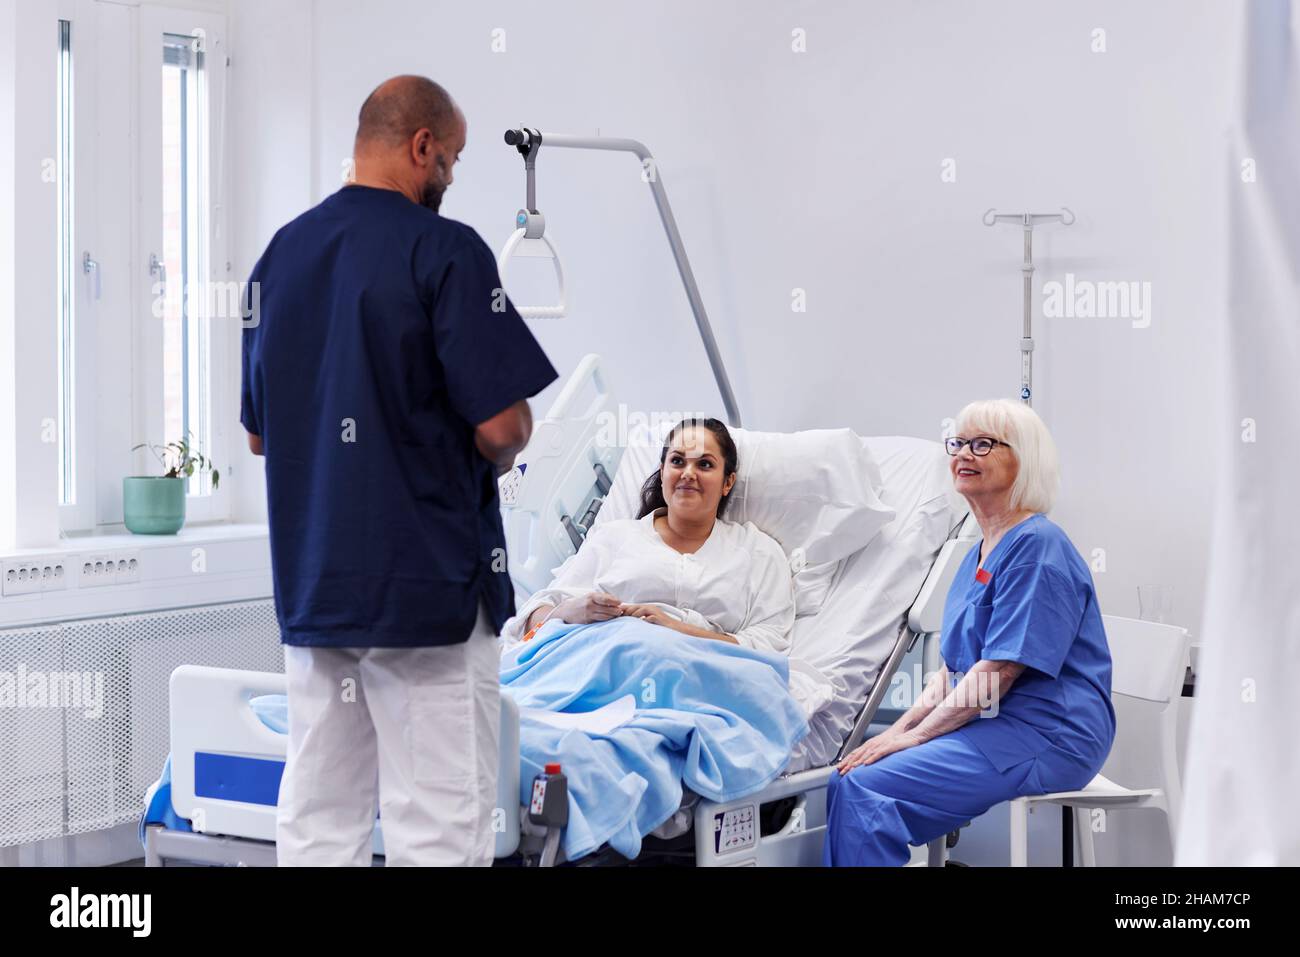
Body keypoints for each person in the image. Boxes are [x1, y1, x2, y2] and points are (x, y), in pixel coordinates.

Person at [240, 75, 558, 866]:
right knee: (439, 830)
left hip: (317, 594)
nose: (450, 177)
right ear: (422, 147)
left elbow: (257, 437)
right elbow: (501, 425)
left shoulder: (280, 255)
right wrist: (506, 437)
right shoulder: (445, 252)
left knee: (318, 820)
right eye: (450, 159)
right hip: (427, 598)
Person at [823, 398, 1116, 866]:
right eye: (958, 443)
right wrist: (896, 733)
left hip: (1048, 733)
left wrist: (914, 740)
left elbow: (998, 672)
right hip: (995, 724)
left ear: (1025, 460)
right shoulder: (975, 552)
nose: (964, 454)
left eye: (983, 445)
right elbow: (951, 671)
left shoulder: (1037, 548)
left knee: (867, 787)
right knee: (848, 774)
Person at [503, 418, 794, 655]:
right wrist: (569, 610)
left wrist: (679, 630)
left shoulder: (757, 552)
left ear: (727, 482)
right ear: (663, 471)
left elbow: (770, 645)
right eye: (678, 461)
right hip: (595, 666)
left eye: (704, 464)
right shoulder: (615, 537)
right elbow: (525, 625)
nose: (688, 473)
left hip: (699, 681)